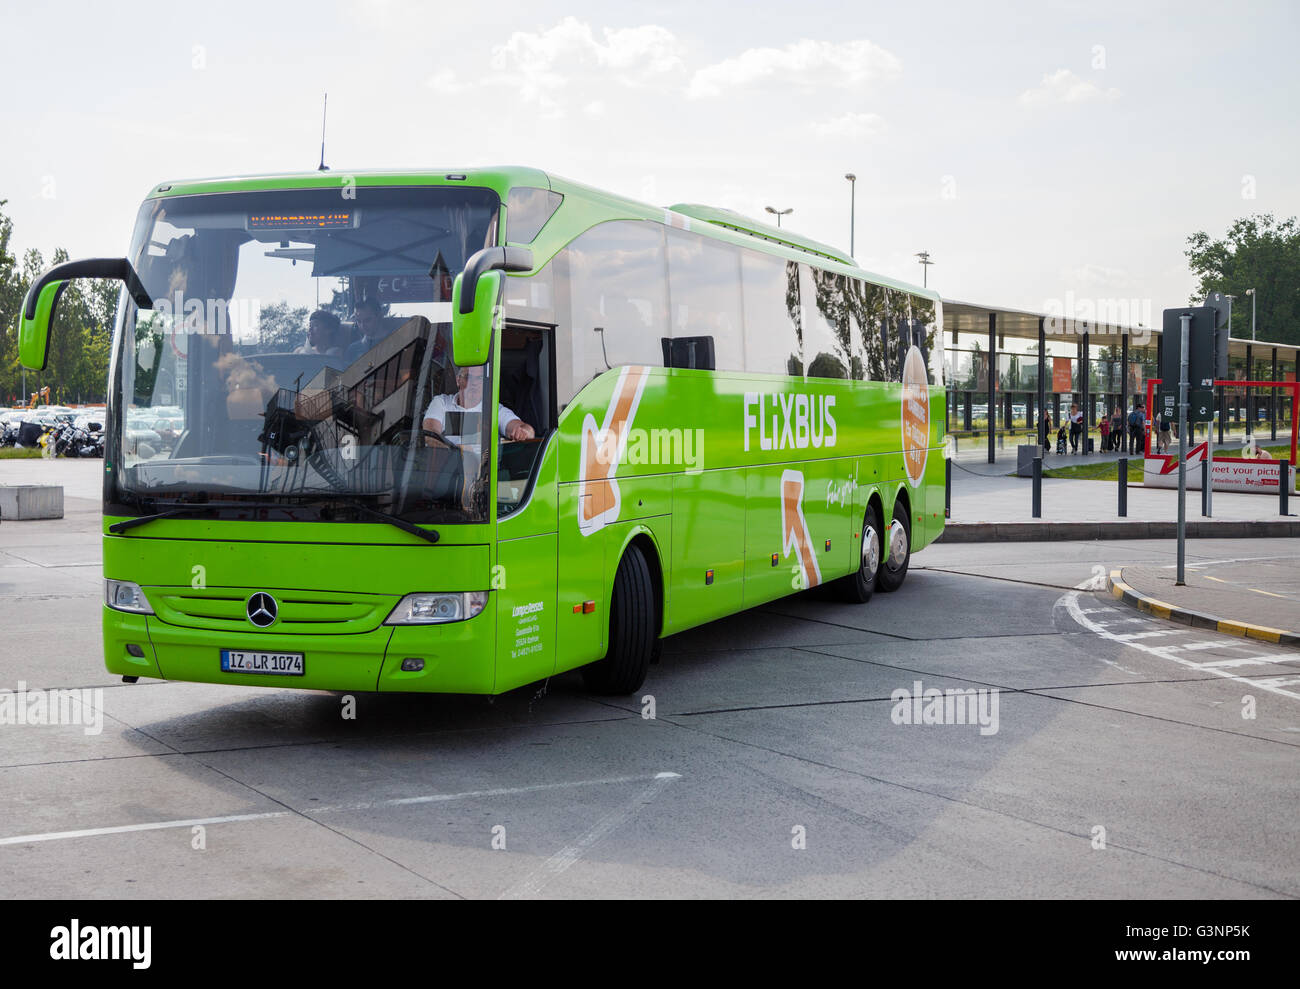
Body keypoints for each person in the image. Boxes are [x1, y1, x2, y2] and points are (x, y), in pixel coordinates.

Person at [423, 365, 535, 451]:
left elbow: (525, 429)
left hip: (486, 475)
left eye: (479, 378)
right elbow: (431, 435)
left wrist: (524, 431)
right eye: (468, 377)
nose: (474, 383)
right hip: (448, 469)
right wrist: (456, 453)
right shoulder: (441, 402)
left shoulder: (494, 409)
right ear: (458, 380)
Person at [343, 298, 392, 364]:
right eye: (359, 321)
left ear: (379, 316)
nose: (362, 326)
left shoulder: (395, 343)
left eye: (367, 320)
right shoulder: (352, 349)